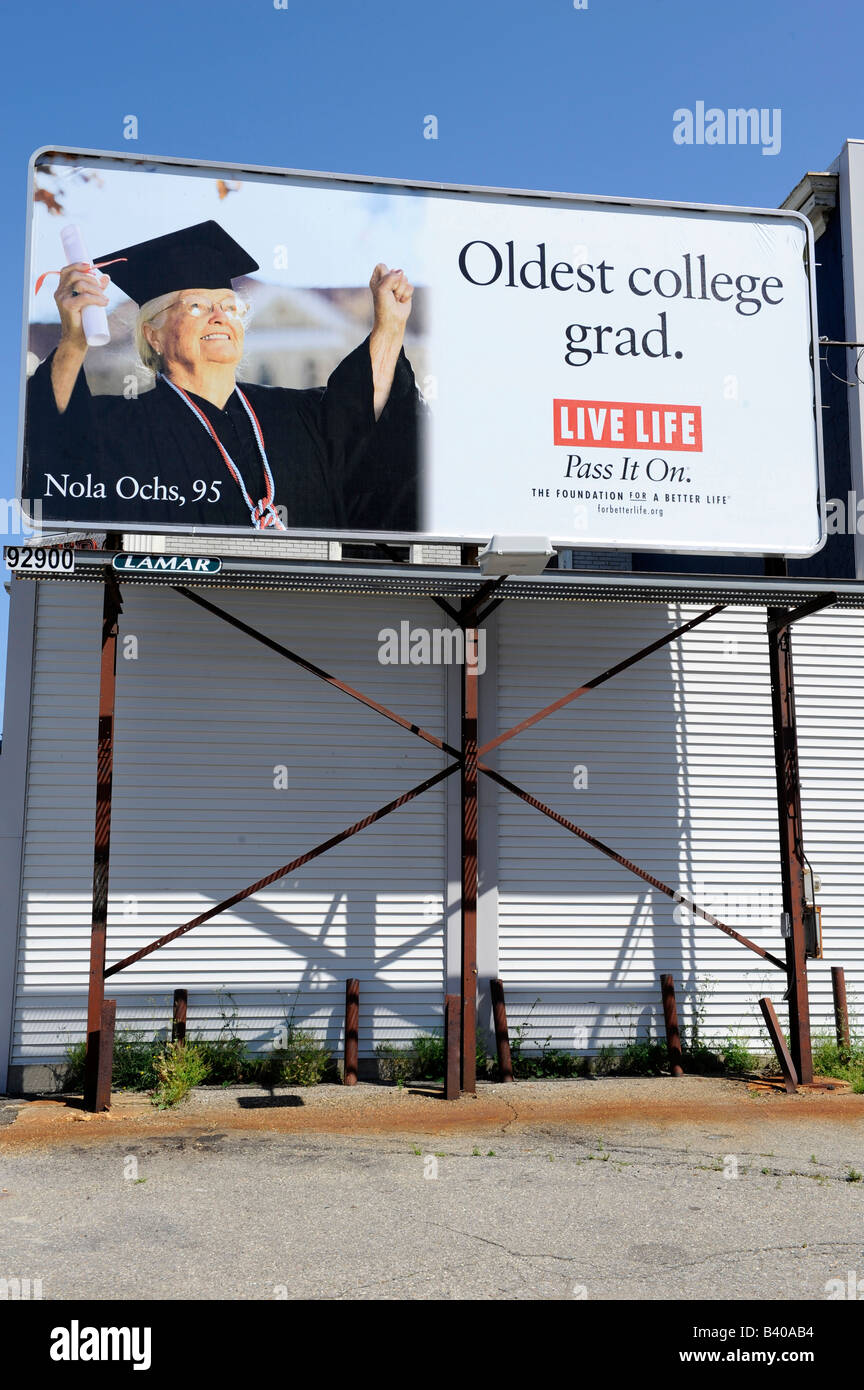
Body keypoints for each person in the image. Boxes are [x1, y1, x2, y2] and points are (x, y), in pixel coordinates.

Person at [24, 220, 421, 533]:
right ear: (153, 334)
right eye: (196, 305)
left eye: (230, 307)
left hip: (309, 619)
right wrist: (74, 340)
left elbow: (368, 420)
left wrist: (388, 326)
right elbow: (57, 441)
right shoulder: (120, 428)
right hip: (178, 618)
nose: (219, 317)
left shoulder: (296, 414)